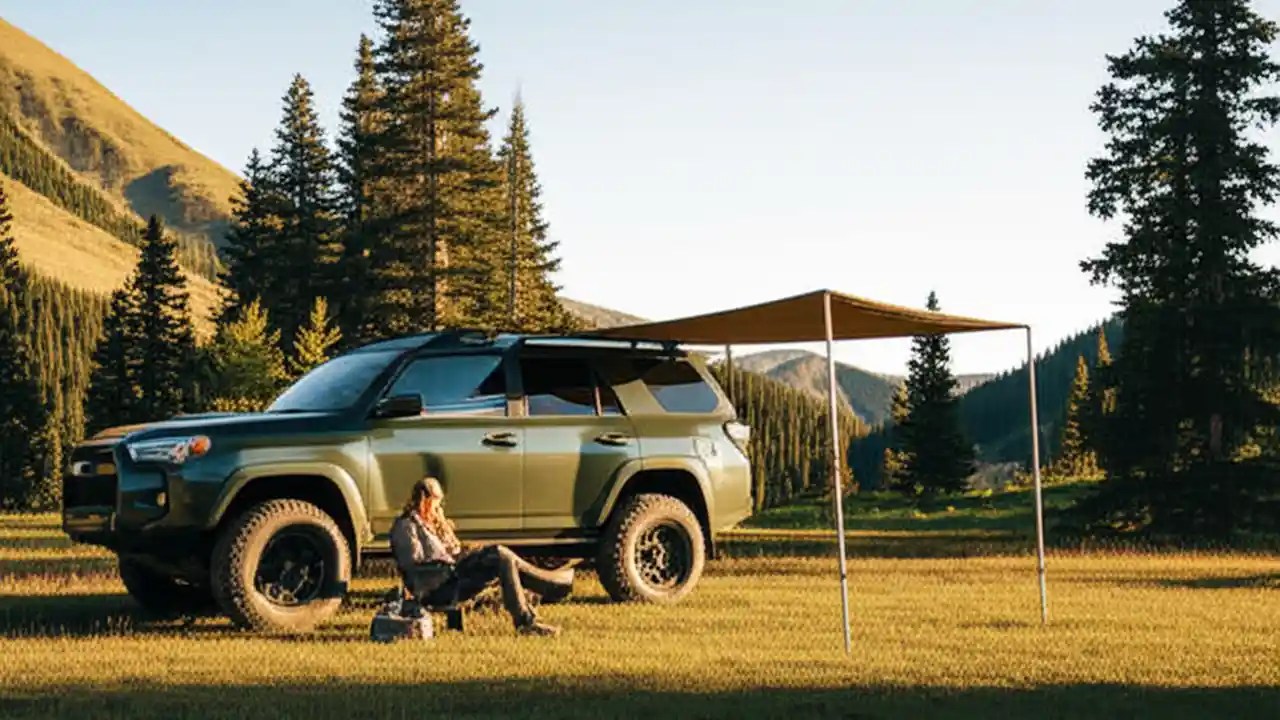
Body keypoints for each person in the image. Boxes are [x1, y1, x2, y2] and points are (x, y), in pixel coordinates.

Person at [390, 477, 571, 637]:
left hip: (454, 574)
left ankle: (542, 597)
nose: (438, 508)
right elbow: (413, 565)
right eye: (436, 503)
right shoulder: (407, 526)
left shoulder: (433, 523)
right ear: (425, 500)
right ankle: (547, 590)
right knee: (501, 555)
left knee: (504, 558)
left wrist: (458, 546)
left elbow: (452, 550)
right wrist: (449, 561)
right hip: (441, 584)